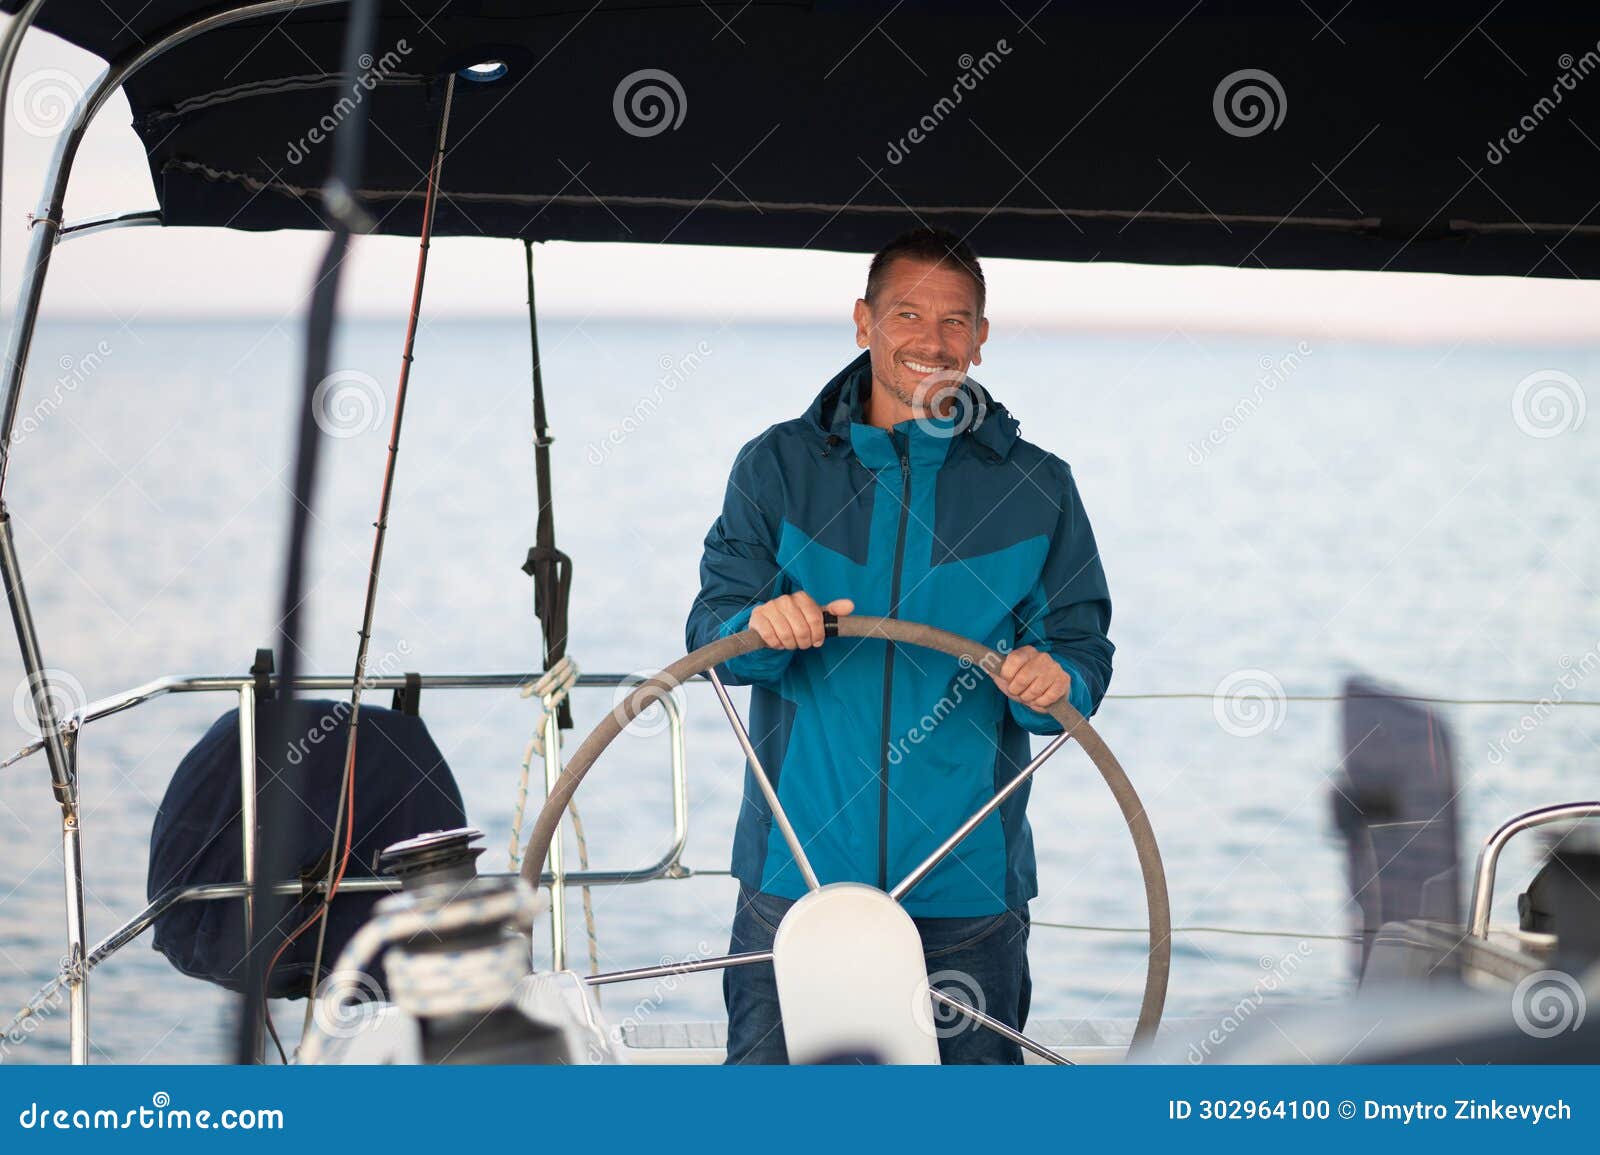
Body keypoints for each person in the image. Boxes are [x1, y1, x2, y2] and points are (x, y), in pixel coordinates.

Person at [685, 227, 1114, 1064]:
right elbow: (713, 635)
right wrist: (760, 629)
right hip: (795, 871)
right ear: (863, 322)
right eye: (907, 313)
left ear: (982, 339)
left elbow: (1082, 654)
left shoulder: (1038, 487)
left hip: (968, 881)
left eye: (956, 321)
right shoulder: (776, 467)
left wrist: (1053, 676)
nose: (932, 340)